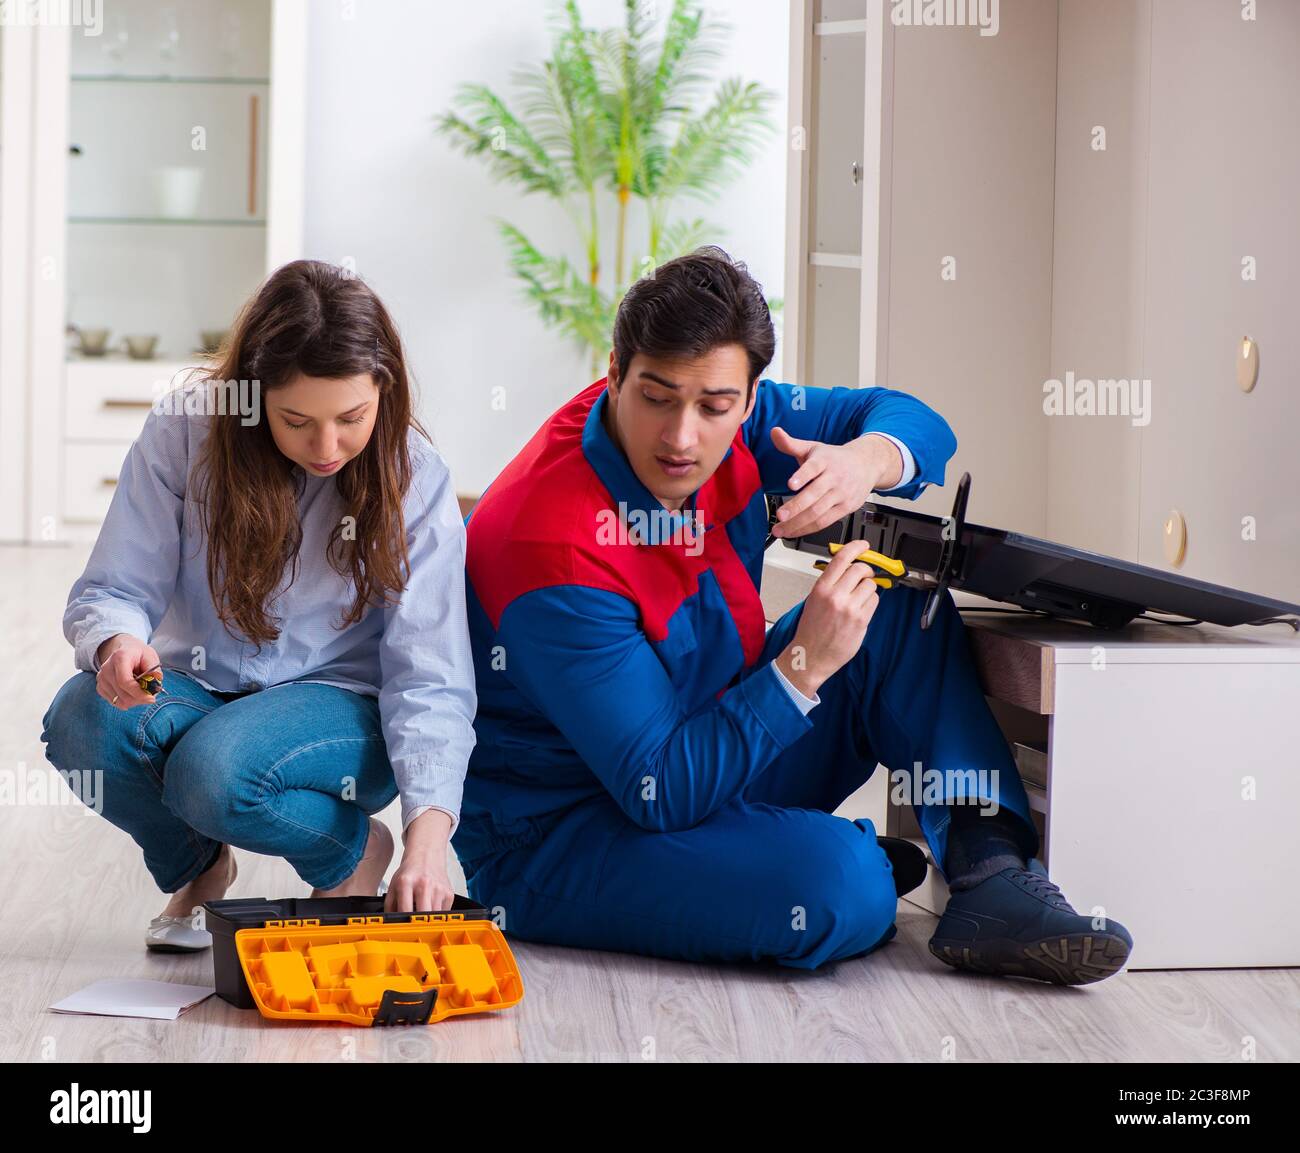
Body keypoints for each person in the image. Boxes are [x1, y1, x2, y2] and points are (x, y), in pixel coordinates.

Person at [454, 246, 1133, 984]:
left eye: (714, 406)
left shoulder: (748, 424)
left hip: (707, 748)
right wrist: (801, 664)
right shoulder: (545, 542)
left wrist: (863, 462)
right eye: (656, 396)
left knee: (891, 600)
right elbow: (658, 786)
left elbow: (915, 420)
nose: (682, 436)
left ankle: (989, 870)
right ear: (613, 372)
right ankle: (818, 856)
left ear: (749, 399)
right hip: (570, 831)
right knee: (839, 887)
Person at [40, 260, 476, 952]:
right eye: (296, 419)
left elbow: (431, 674)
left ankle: (352, 852)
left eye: (351, 418)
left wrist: (428, 837)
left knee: (212, 769)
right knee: (81, 719)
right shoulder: (186, 433)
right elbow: (115, 586)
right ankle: (199, 862)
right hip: (205, 688)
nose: (326, 446)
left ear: (383, 391)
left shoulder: (414, 477)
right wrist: (117, 643)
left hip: (343, 709)